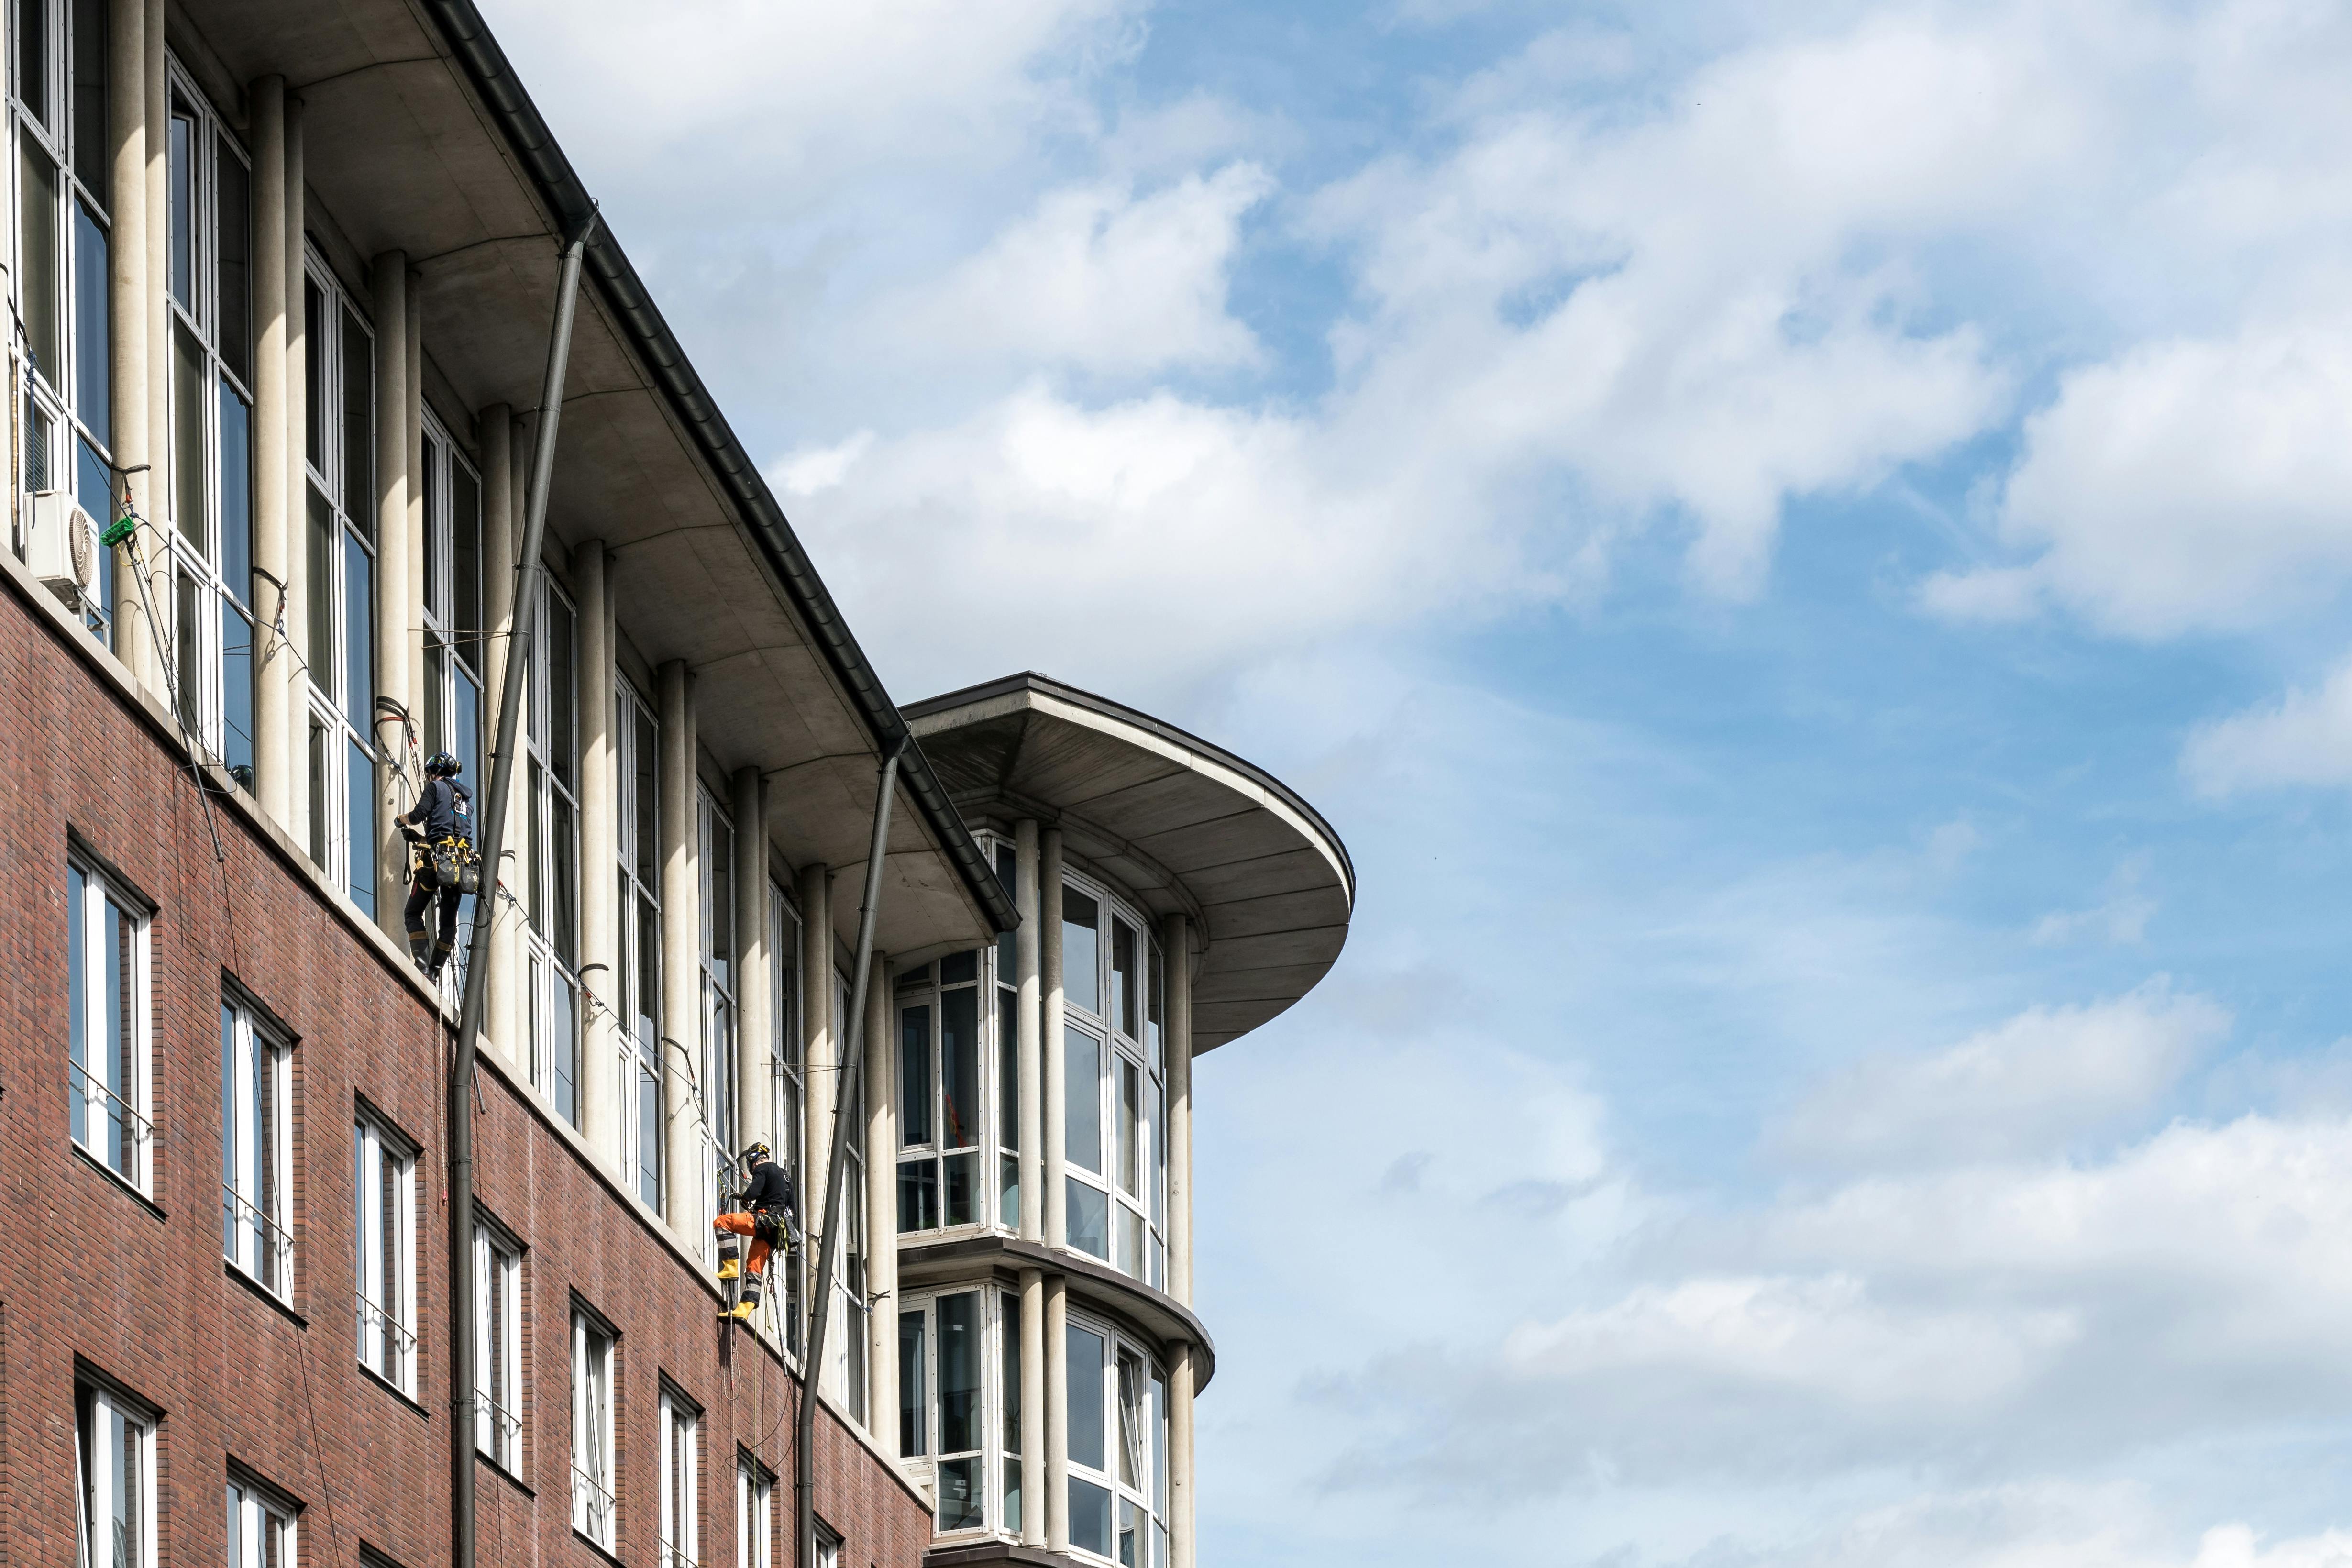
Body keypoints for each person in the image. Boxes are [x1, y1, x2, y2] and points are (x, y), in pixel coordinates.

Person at [399, 752, 474, 981]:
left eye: (429, 774)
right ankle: (434, 971)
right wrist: (420, 838)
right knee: (448, 923)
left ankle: (422, 968)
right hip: (459, 867)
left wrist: (402, 820)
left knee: (413, 912)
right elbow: (449, 834)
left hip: (435, 864)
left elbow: (418, 815)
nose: (428, 779)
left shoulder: (435, 788)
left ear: (435, 772)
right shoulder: (466, 804)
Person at [714, 1142, 795, 1321]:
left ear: (754, 1162)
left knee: (722, 1223)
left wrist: (745, 1198)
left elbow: (755, 1190)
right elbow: (792, 1211)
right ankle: (745, 1309)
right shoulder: (786, 1177)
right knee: (754, 1269)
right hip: (774, 1233)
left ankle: (730, 1267)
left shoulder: (763, 1168)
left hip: (764, 1221)